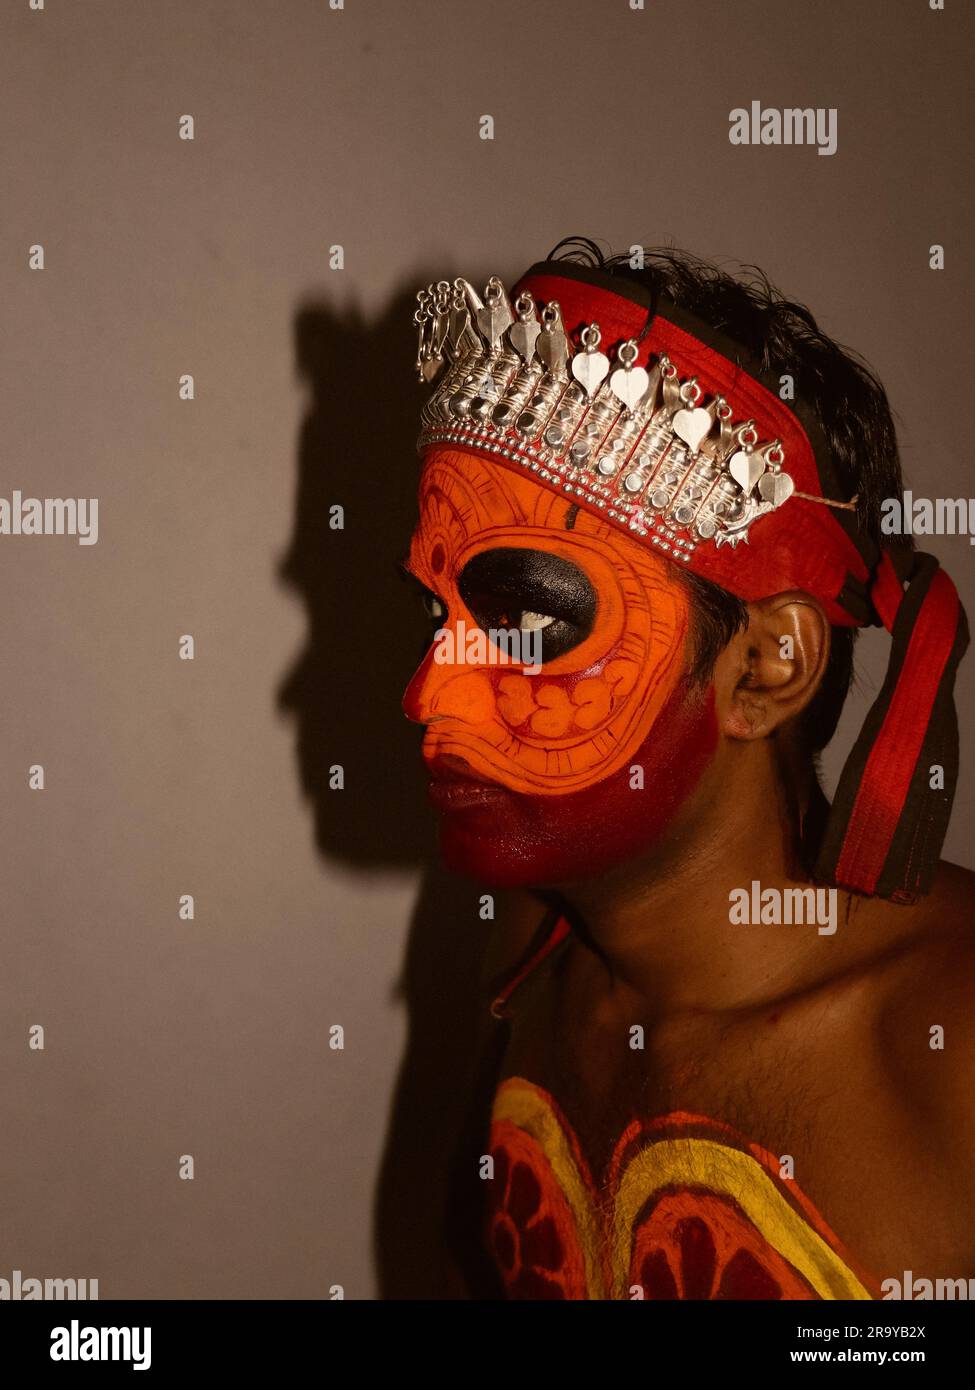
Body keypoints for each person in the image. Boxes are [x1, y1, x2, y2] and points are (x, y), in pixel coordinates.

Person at [401, 237, 975, 1300]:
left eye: (527, 619)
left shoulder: (951, 1048)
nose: (427, 693)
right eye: (434, 611)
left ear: (768, 665)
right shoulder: (535, 953)